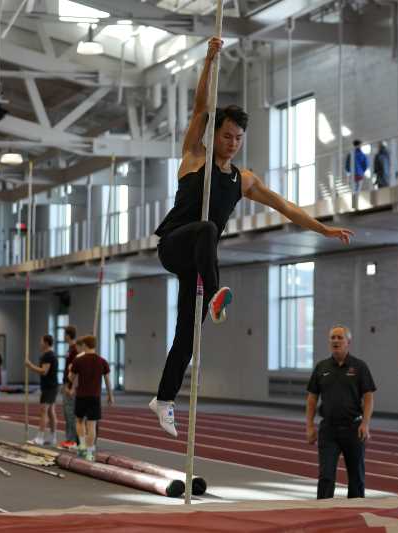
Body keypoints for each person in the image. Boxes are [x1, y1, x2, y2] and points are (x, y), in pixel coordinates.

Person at [149, 37, 354, 437]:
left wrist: (323, 227)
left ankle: (164, 399)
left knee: (187, 337)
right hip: (175, 245)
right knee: (208, 228)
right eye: (226, 135)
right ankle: (215, 296)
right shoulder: (195, 155)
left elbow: (286, 207)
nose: (231, 143)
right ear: (217, 134)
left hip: (200, 260)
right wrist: (210, 60)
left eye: (238, 138)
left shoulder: (244, 180)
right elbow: (201, 107)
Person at [306, 326, 376, 499]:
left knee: (356, 477)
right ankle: (323, 513)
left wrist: (365, 424)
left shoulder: (359, 367)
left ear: (348, 342)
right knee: (326, 476)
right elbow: (312, 398)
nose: (335, 341)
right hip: (328, 430)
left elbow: (368, 397)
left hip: (353, 429)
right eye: (332, 338)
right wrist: (309, 426)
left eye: (339, 337)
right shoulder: (321, 367)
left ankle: (357, 515)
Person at [69, 335, 113, 462]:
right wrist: (110, 395)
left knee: (79, 421)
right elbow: (108, 381)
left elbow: (71, 378)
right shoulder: (102, 361)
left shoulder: (78, 361)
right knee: (92, 426)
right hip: (95, 397)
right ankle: (89, 453)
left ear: (85, 345)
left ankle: (82, 445)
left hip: (82, 395)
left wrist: (70, 374)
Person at [25, 334, 59, 447]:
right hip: (51, 386)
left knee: (44, 411)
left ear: (46, 343)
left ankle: (40, 438)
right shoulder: (48, 355)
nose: (40, 343)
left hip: (49, 387)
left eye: (41, 341)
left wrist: (30, 366)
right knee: (50, 412)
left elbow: (44, 371)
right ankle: (53, 437)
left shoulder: (48, 356)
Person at [60, 325, 80, 449]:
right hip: (67, 383)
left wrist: (69, 386)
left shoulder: (74, 350)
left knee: (70, 412)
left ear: (68, 335)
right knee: (67, 413)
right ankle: (70, 438)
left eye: (64, 334)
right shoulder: (70, 349)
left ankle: (72, 440)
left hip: (70, 385)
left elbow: (74, 371)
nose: (63, 336)